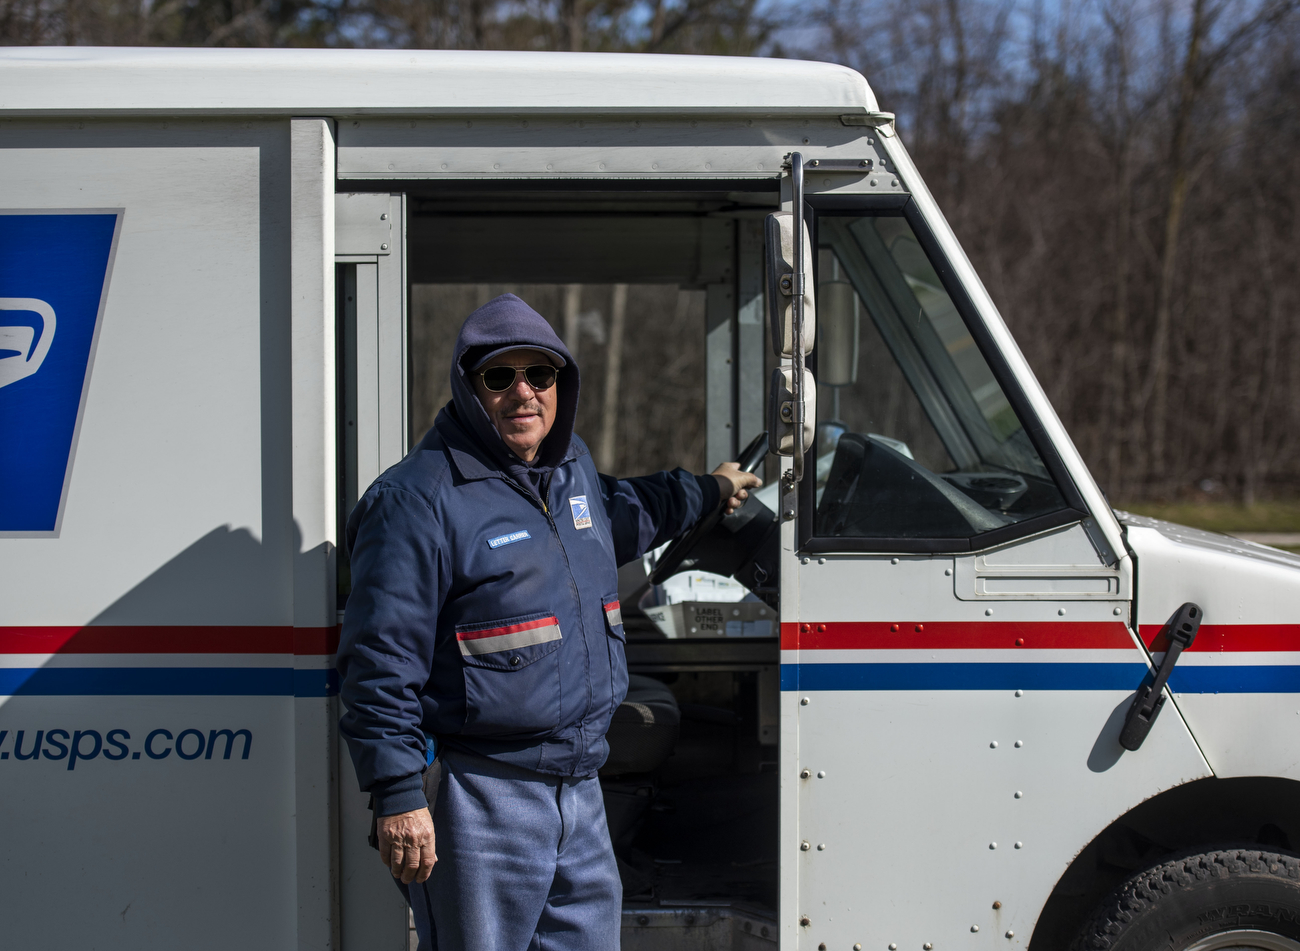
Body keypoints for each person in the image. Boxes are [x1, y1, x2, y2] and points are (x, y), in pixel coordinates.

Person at [337, 293, 762, 951]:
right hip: (482, 795)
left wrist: (709, 488)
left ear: (562, 382)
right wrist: (397, 796)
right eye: (499, 377)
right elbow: (379, 664)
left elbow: (629, 510)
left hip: (581, 790)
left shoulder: (569, 471)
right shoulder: (416, 500)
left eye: (541, 374)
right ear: (469, 387)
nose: (523, 392)